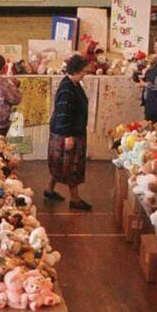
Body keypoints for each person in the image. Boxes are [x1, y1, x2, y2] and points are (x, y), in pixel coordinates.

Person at [44, 53, 91, 211]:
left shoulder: (74, 85)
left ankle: (50, 189)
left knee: (59, 163)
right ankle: (75, 199)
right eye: (84, 71)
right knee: (72, 166)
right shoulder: (67, 88)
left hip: (68, 131)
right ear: (76, 70)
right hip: (68, 133)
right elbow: (63, 113)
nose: (85, 73)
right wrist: (68, 136)